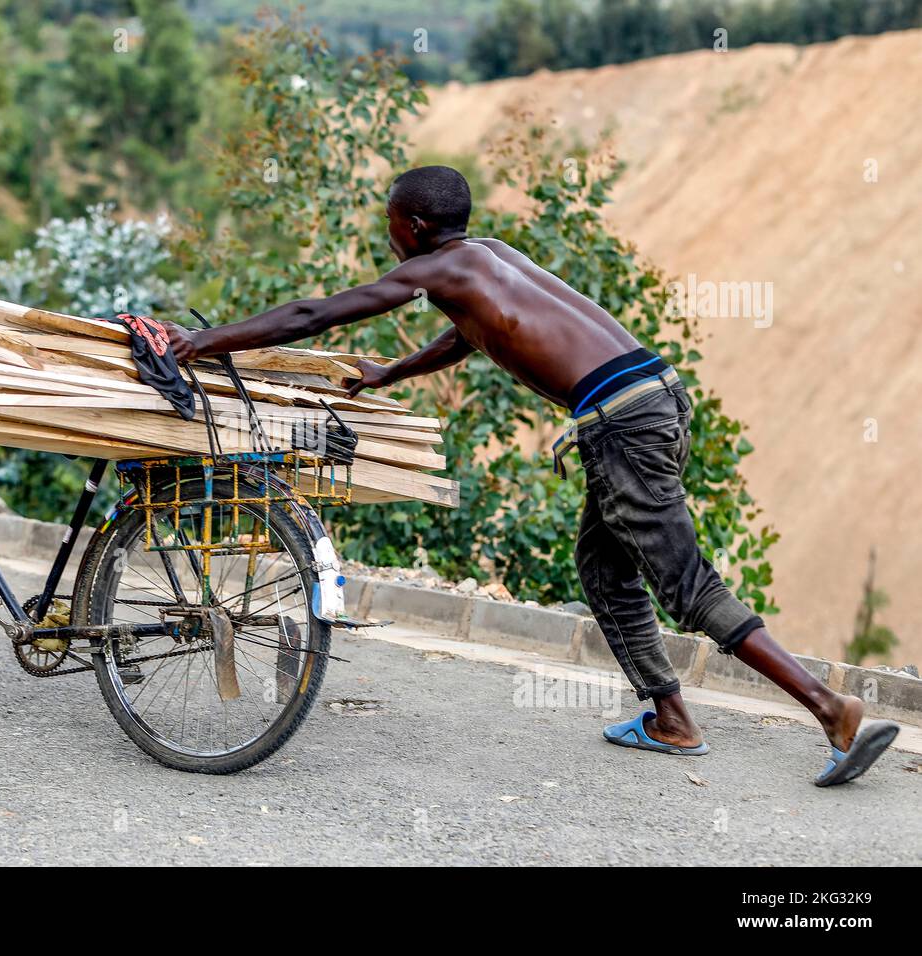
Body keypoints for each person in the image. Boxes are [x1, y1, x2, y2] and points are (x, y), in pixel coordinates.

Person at [165, 165, 899, 786]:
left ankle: (829, 709)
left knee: (687, 585)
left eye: (392, 225)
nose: (389, 239)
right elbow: (472, 332)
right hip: (654, 396)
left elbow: (312, 313)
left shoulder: (431, 267)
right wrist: (392, 372)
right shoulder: (488, 257)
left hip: (621, 423)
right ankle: (670, 718)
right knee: (605, 570)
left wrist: (204, 341)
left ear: (415, 226)